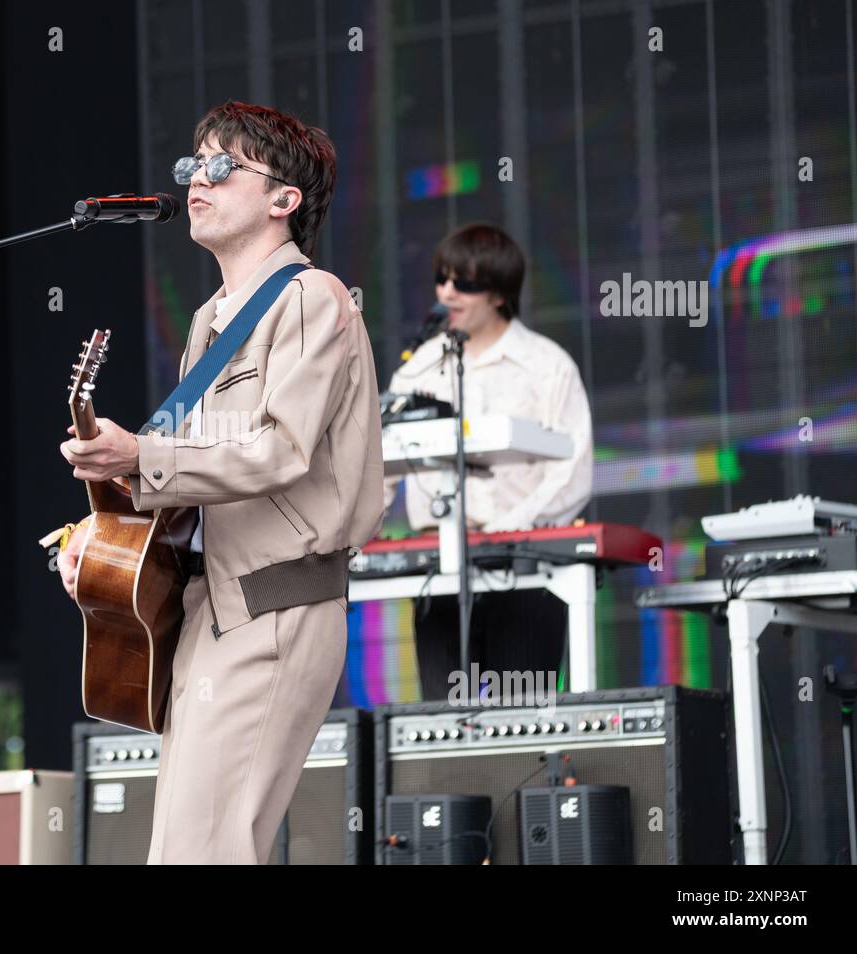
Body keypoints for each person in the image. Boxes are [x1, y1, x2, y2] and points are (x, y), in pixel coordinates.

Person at [57, 100, 383, 863]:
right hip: (211, 609)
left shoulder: (313, 298)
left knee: (206, 849)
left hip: (276, 601)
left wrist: (140, 458)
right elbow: (189, 491)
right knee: (185, 848)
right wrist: (99, 540)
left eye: (220, 166)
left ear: (283, 200)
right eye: (191, 164)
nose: (195, 181)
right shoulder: (209, 323)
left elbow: (278, 453)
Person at [384, 223, 593, 701]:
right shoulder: (417, 368)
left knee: (522, 727)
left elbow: (574, 471)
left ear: (499, 294)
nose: (447, 293)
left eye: (466, 284)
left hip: (525, 571)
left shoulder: (547, 365)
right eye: (442, 280)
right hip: (437, 570)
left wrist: (503, 535)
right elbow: (381, 465)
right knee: (441, 727)